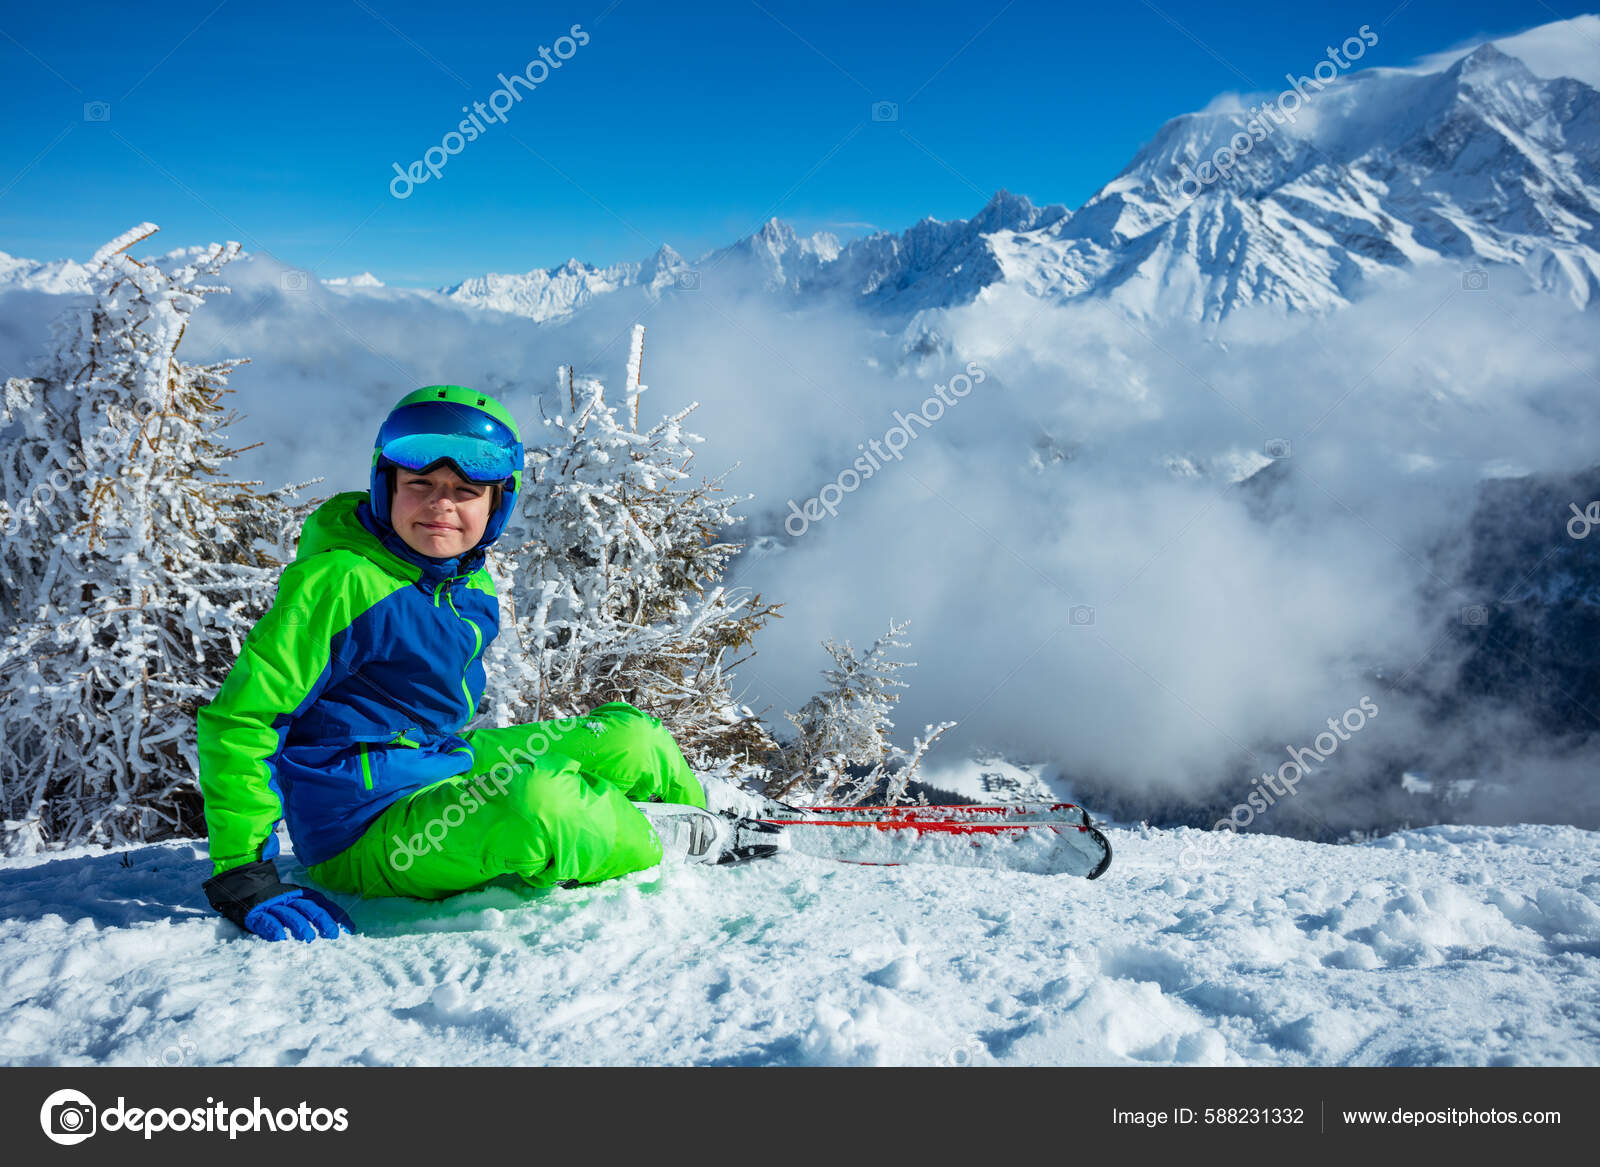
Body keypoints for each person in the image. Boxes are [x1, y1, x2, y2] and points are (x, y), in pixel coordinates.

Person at [195, 385, 727, 943]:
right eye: (419, 484)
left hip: (438, 764)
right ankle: (681, 841)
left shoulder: (466, 582)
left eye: (466, 491)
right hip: (363, 829)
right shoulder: (338, 582)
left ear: (495, 506)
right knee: (539, 805)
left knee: (632, 739)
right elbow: (244, 718)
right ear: (385, 486)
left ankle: (704, 812)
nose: (440, 505)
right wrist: (243, 874)